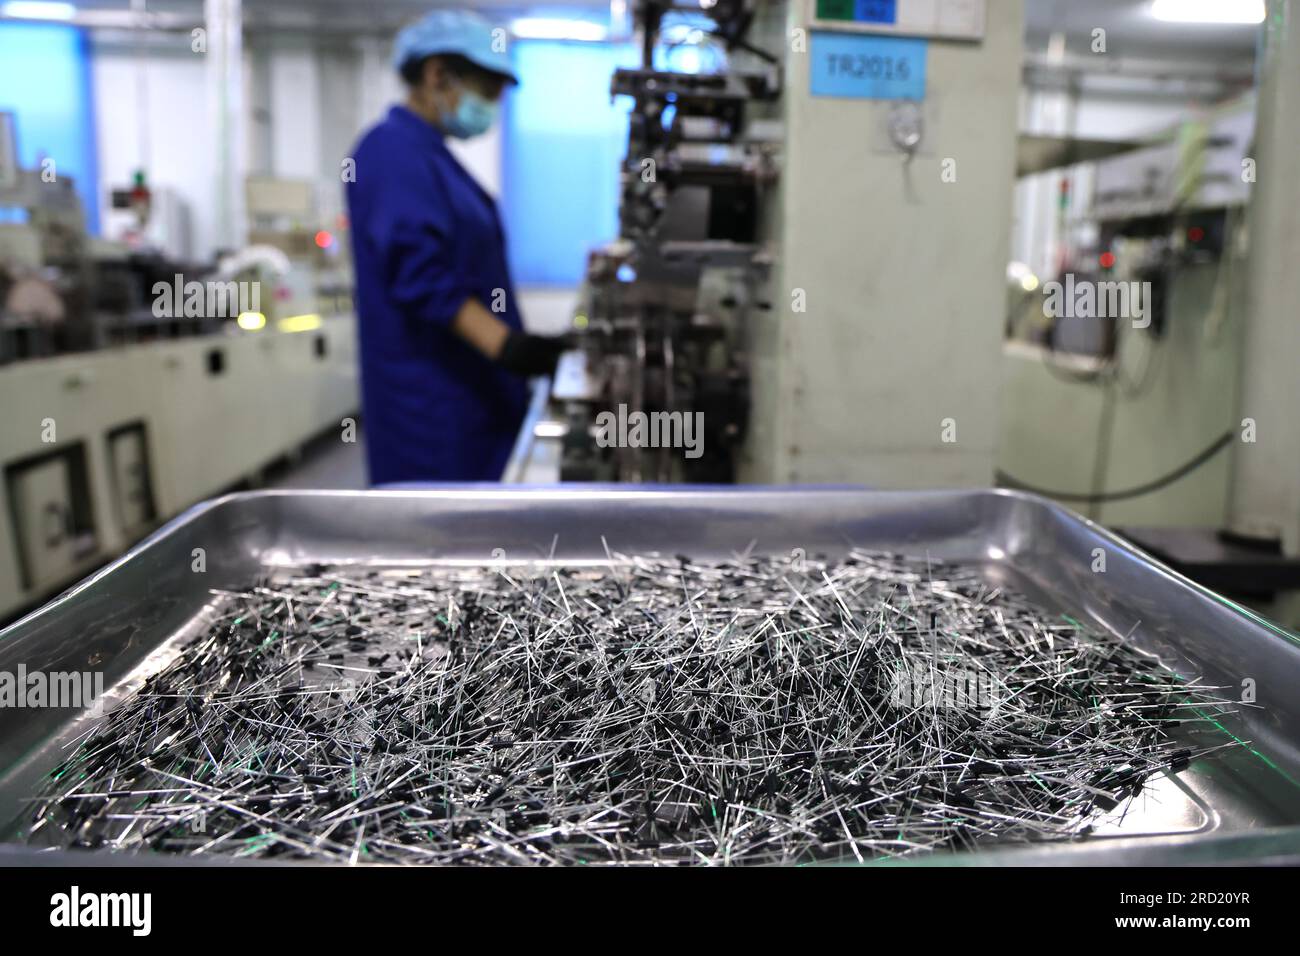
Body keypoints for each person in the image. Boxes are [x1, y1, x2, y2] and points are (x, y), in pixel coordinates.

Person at [345, 9, 567, 484]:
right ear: (436, 74)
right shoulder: (390, 152)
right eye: (485, 91)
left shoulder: (432, 157)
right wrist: (508, 347)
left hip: (472, 396)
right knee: (436, 547)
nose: (489, 107)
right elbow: (420, 278)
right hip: (433, 410)